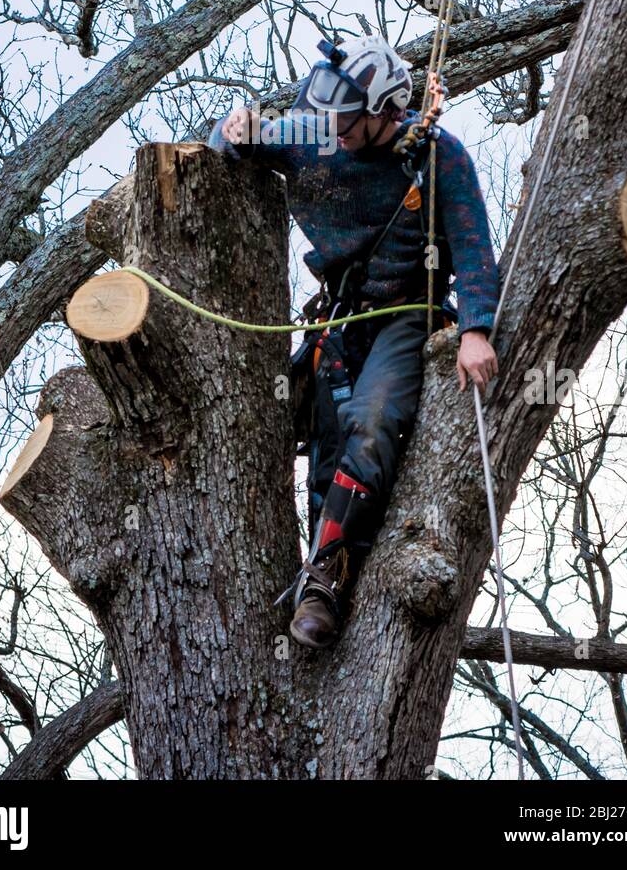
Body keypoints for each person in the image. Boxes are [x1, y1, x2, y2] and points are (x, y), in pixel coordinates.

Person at [208, 34, 500, 650]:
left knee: (372, 424)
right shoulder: (315, 137)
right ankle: (323, 590)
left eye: (347, 119)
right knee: (329, 451)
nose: (334, 130)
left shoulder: (437, 156)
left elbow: (474, 248)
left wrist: (475, 329)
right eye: (328, 117)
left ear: (387, 110)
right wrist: (232, 129)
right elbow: (236, 136)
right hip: (338, 321)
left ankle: (323, 580)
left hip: (406, 316)